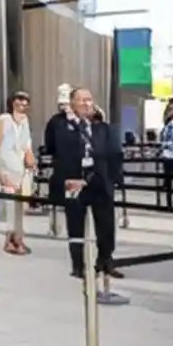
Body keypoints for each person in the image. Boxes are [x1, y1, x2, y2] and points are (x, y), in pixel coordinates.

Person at [45, 88, 122, 279]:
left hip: (100, 183)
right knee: (75, 223)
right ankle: (78, 265)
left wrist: (115, 180)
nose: (87, 104)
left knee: (105, 224)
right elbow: (53, 148)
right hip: (74, 182)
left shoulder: (102, 127)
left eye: (89, 100)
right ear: (72, 104)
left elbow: (114, 154)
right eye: (81, 100)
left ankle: (105, 260)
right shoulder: (61, 125)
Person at [0, 91, 34, 255]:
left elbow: (26, 145)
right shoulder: (3, 120)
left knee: (20, 206)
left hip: (21, 168)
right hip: (5, 165)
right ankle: (9, 240)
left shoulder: (25, 121)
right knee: (9, 205)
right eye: (19, 100)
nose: (22, 104)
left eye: (25, 101)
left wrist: (30, 160)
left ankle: (19, 237)